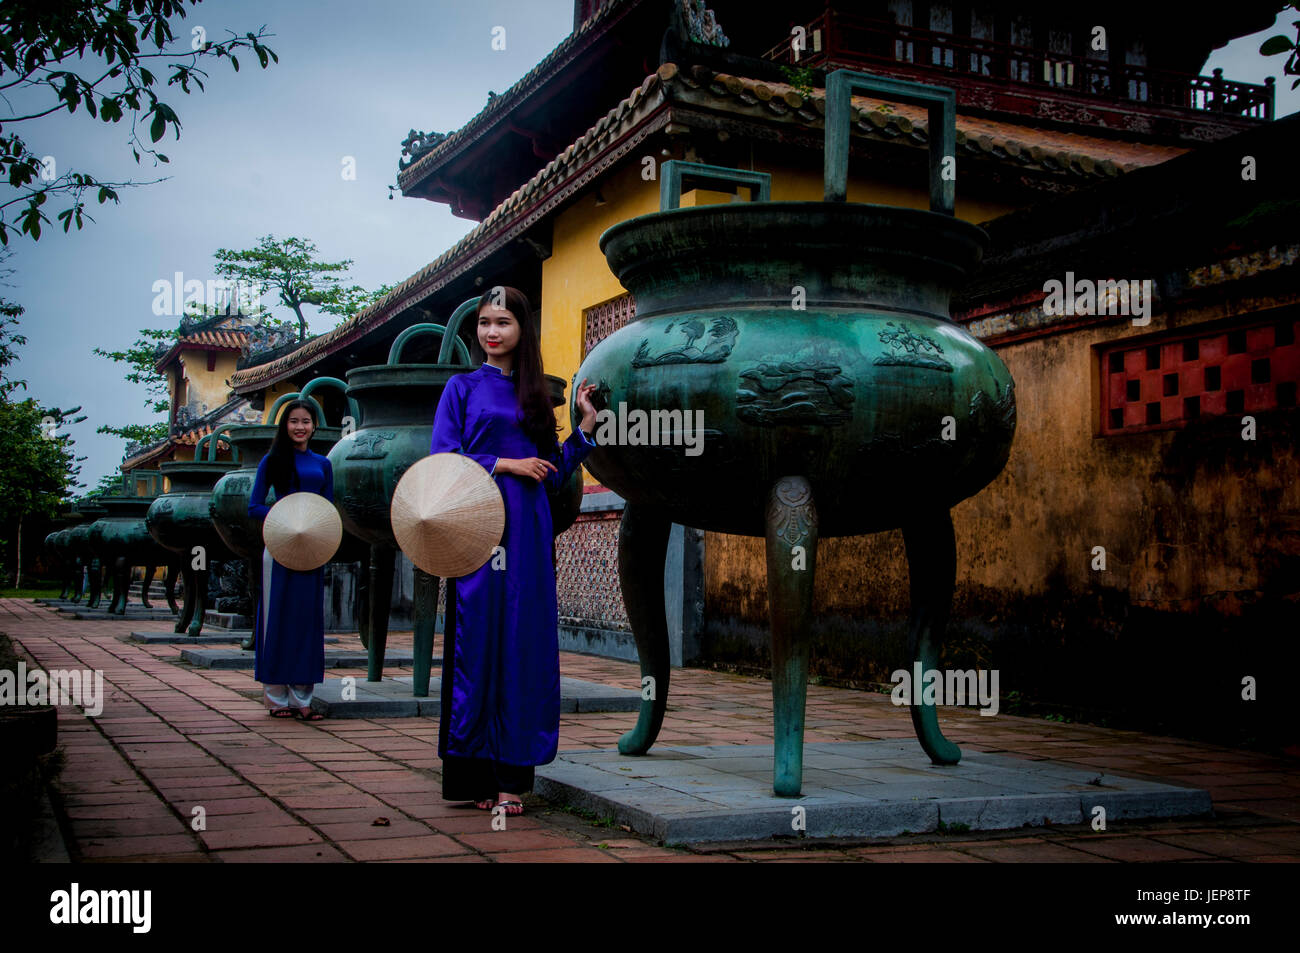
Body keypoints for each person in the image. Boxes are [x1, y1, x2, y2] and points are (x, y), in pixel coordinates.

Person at [431, 286, 598, 815]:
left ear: (522, 329)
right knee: (477, 640)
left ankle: (511, 779)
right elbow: (443, 457)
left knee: (523, 644)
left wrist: (585, 429)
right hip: (479, 527)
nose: (491, 332)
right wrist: (505, 464)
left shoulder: (533, 395)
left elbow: (551, 470)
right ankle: (474, 775)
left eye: (502, 322)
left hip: (528, 530)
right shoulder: (460, 388)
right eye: (483, 322)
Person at [248, 399, 334, 721]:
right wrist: (287, 516)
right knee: (277, 618)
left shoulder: (324, 464)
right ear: (285, 426)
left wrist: (313, 526)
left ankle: (302, 697)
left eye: (306, 421)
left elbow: (329, 508)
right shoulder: (272, 461)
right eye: (294, 421)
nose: (300, 427)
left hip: (313, 549)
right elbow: (254, 506)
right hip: (280, 546)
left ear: (314, 426)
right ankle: (275, 697)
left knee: (306, 622)